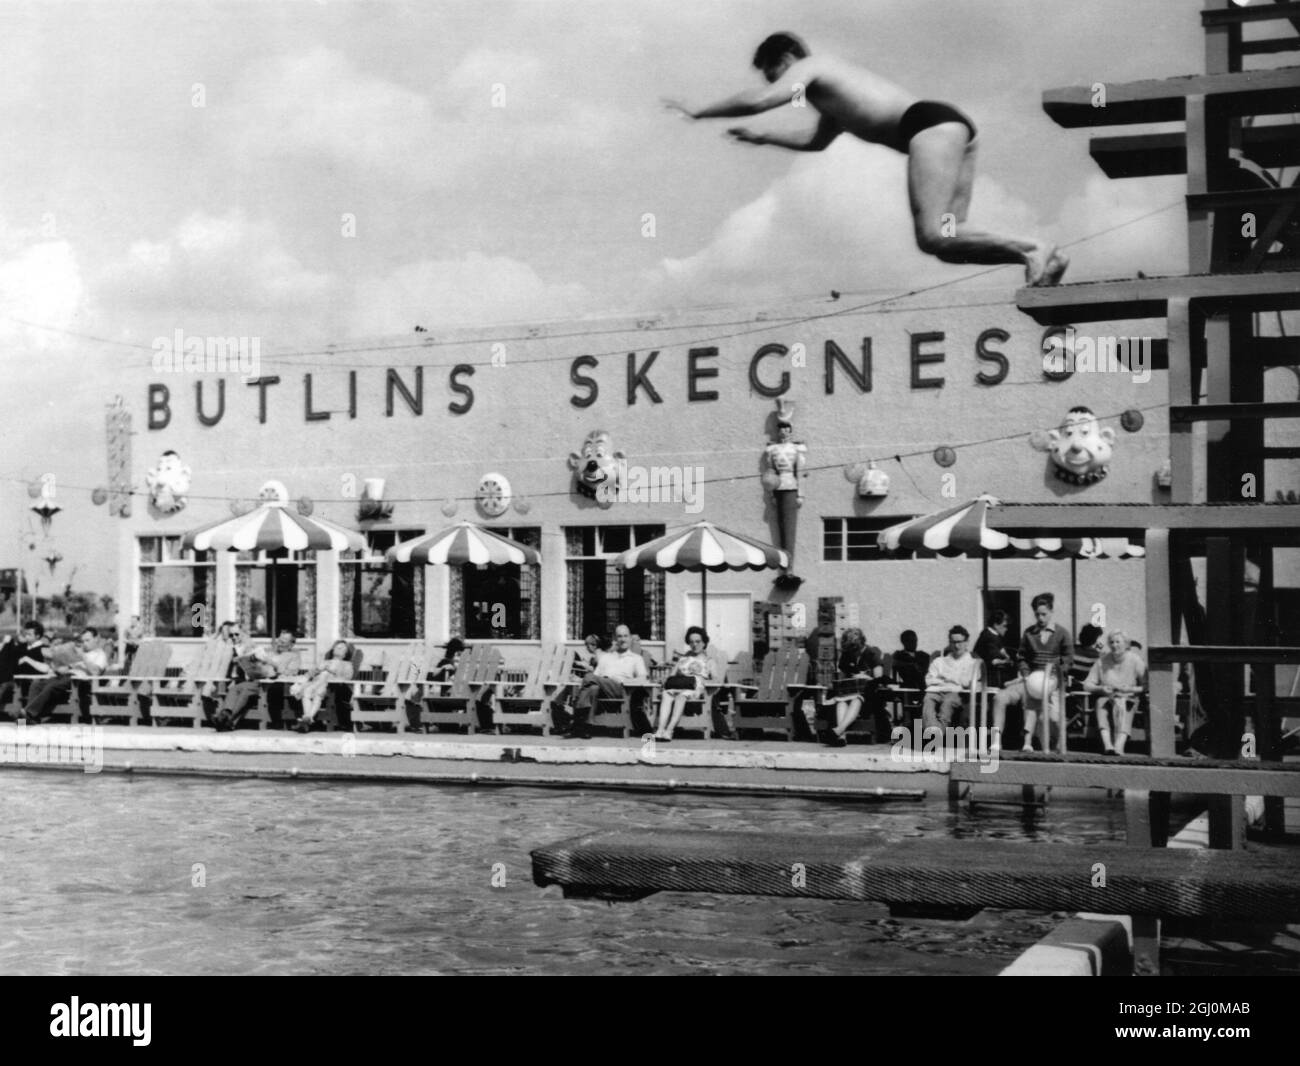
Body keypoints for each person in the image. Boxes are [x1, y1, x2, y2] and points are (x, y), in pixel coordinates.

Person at [664, 32, 1068, 287]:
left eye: (772, 72)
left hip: (927, 127)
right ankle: (1044, 257)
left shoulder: (812, 67)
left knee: (931, 235)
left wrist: (699, 112)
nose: (774, 82)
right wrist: (764, 137)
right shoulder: (832, 99)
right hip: (952, 132)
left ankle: (1035, 248)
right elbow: (817, 142)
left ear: (785, 58)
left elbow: (759, 101)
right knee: (949, 238)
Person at [990, 593, 1073, 752]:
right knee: (999, 698)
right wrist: (1026, 673)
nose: (1040, 618)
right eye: (1037, 615)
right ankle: (996, 741)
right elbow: (1021, 657)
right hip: (1030, 680)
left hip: (1052, 681)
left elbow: (1069, 658)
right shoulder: (1029, 633)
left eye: (1044, 614)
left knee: (1052, 717)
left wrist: (1055, 672)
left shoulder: (1062, 633)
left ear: (1051, 611)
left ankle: (1056, 743)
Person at [564, 624, 649, 740]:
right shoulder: (606, 657)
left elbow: (643, 678)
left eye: (625, 636)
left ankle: (576, 720)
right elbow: (594, 678)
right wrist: (579, 679)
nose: (623, 639)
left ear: (630, 638)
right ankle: (586, 727)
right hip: (602, 689)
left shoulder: (636, 658)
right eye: (619, 636)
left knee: (588, 677)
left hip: (621, 689)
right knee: (592, 688)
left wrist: (626, 681)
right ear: (615, 639)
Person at [212, 628, 302, 731]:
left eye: (283, 642)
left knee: (245, 691)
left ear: (291, 644)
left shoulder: (294, 656)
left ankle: (227, 719)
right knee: (235, 688)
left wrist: (273, 664)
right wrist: (250, 662)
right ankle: (225, 715)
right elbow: (260, 665)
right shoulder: (270, 652)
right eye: (279, 640)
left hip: (272, 686)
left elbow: (291, 673)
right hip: (258, 680)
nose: (279, 643)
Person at [24, 626, 107, 723]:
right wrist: (62, 668)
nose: (84, 643)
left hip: (80, 682)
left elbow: (95, 672)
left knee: (52, 686)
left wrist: (83, 656)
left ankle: (28, 714)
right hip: (66, 676)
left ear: (96, 639)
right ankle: (30, 717)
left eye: (87, 640)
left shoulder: (100, 654)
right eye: (83, 641)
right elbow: (72, 666)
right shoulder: (83, 652)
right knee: (36, 684)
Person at [1086, 630, 1147, 755]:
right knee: (1100, 702)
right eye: (1111, 642)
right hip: (1108, 697)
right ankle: (1108, 745)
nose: (1114, 645)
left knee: (1126, 704)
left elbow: (1147, 686)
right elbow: (1087, 684)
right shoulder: (1102, 661)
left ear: (1126, 644)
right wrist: (1101, 688)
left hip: (1128, 697)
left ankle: (1119, 745)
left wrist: (1130, 689)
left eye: (1118, 642)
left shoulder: (1135, 660)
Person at [820, 626, 883, 747]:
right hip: (848, 693)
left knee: (857, 700)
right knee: (841, 702)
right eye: (850, 650)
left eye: (855, 650)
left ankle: (839, 730)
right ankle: (841, 736)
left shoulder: (872, 654)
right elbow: (843, 676)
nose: (853, 653)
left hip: (868, 696)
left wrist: (865, 677)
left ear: (861, 644)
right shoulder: (847, 655)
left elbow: (879, 679)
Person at [655, 626, 713, 741]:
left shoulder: (709, 660)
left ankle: (669, 730)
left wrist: (703, 681)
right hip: (679, 685)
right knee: (666, 694)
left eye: (698, 641)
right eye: (691, 642)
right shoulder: (683, 658)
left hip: (694, 689)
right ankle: (660, 730)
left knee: (681, 696)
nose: (694, 644)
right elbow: (672, 675)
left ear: (704, 642)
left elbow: (716, 679)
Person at [920, 626, 979, 735]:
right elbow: (929, 680)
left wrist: (943, 678)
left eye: (959, 642)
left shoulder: (973, 663)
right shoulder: (939, 661)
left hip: (957, 694)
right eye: (953, 642)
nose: (956, 646)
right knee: (928, 699)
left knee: (947, 703)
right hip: (936, 691)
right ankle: (933, 731)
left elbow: (967, 682)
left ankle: (937, 734)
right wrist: (954, 680)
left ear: (966, 642)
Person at [293, 640, 356, 732]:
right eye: (337, 647)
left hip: (330, 687)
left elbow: (348, 677)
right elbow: (310, 674)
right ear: (333, 649)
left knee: (318, 693)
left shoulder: (347, 664)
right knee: (306, 692)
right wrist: (318, 670)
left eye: (342, 648)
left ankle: (307, 718)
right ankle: (308, 717)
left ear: (345, 654)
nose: (338, 648)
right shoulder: (324, 662)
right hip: (315, 684)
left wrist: (330, 670)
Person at [973, 610, 1014, 687]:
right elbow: (993, 661)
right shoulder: (988, 637)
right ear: (995, 625)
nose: (1006, 629)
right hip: (985, 674)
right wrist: (1006, 661)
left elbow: (1001, 648)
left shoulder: (993, 634)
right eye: (1004, 626)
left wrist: (1006, 655)